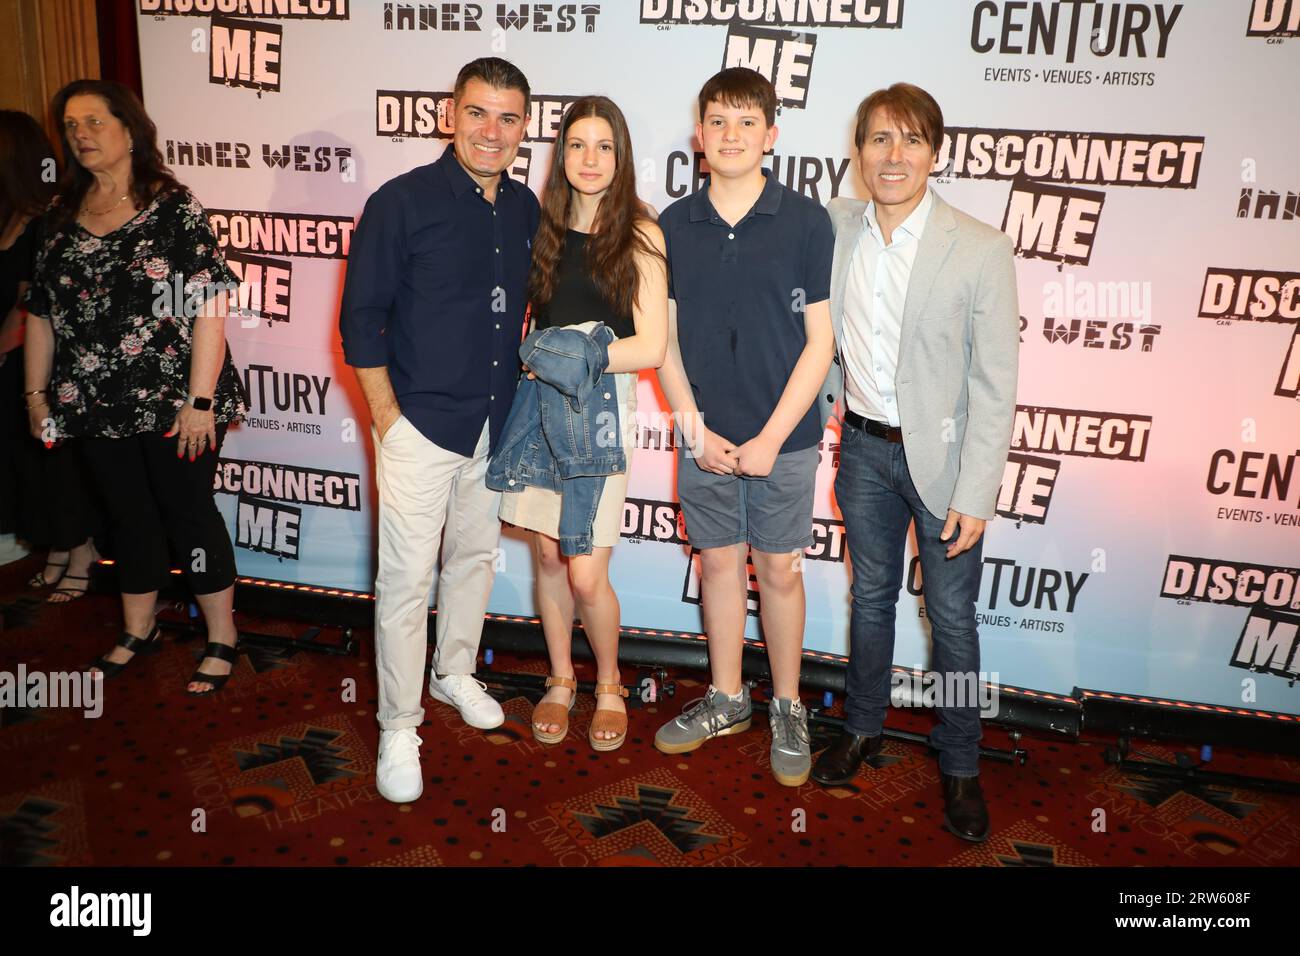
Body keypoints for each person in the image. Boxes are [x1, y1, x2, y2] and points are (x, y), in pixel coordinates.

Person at [810, 83, 1019, 843]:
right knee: (871, 599)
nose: (893, 157)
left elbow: (997, 384)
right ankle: (862, 730)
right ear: (857, 152)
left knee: (953, 619)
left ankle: (961, 763)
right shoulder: (832, 227)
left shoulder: (982, 247)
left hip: (947, 464)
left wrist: (978, 491)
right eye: (877, 140)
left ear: (936, 153)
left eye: (910, 141)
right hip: (862, 451)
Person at [339, 58, 540, 803]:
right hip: (419, 424)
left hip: (494, 422)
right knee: (404, 583)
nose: (493, 131)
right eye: (479, 113)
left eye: (509, 117)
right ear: (448, 115)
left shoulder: (524, 210)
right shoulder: (401, 202)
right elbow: (360, 319)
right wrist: (388, 421)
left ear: (526, 127)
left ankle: (454, 670)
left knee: (474, 558)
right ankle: (398, 723)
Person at [24, 80, 248, 695]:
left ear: (130, 129)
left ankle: (222, 635)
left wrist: (200, 401)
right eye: (71, 125)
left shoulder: (173, 208)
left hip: (176, 402)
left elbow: (209, 306)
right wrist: (37, 398)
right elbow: (41, 315)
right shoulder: (58, 218)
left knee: (189, 515)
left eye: (95, 121)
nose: (82, 135)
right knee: (127, 517)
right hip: (91, 405)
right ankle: (137, 628)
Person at [654, 69, 835, 788]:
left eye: (745, 122)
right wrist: (692, 427)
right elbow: (661, 340)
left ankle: (788, 704)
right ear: (699, 136)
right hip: (704, 438)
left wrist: (770, 437)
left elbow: (820, 342)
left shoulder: (804, 221)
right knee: (719, 565)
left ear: (772, 135)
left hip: (782, 441)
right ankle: (727, 697)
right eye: (717, 122)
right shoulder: (672, 226)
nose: (731, 135)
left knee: (781, 570)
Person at [498, 96, 667, 751]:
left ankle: (609, 684)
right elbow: (529, 320)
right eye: (576, 145)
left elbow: (651, 346)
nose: (589, 160)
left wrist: (570, 355)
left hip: (599, 410)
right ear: (560, 153)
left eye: (603, 147)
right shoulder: (542, 224)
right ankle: (562, 679)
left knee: (586, 570)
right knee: (546, 552)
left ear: (620, 156)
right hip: (538, 404)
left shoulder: (642, 231)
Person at [0, 109, 100, 597]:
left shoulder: (48, 218)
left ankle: (79, 549)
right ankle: (58, 545)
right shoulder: (10, 215)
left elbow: (34, 301)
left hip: (44, 358)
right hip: (16, 362)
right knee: (28, 461)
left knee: (53, 459)